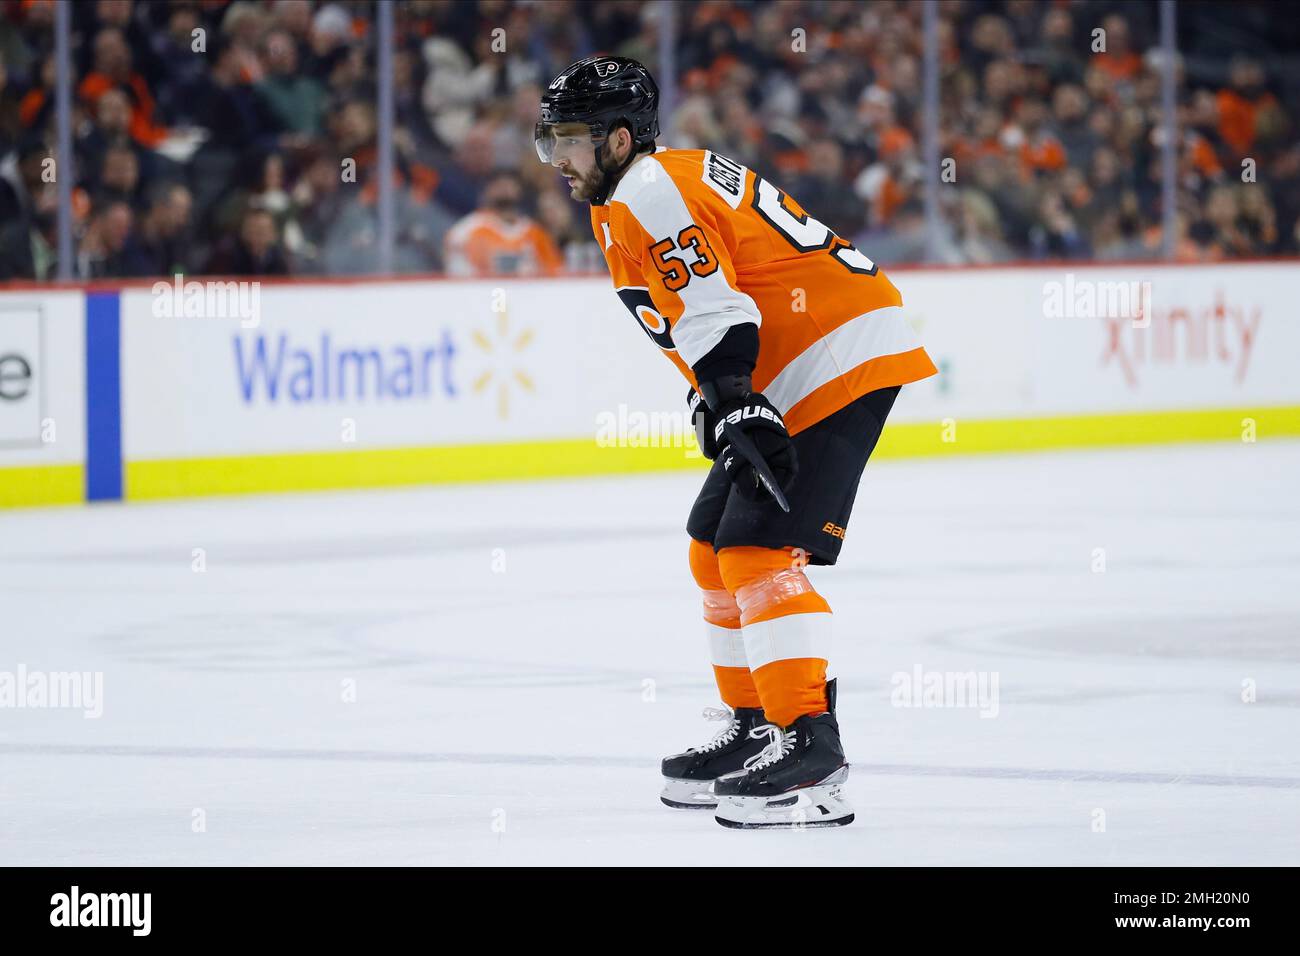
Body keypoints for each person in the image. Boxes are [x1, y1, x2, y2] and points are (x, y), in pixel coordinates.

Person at [535, 56, 937, 829]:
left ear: (618, 140)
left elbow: (717, 309)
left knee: (756, 551)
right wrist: (718, 395)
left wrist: (734, 398)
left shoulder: (647, 189)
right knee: (709, 545)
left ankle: (810, 749)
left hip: (833, 349)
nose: (557, 157)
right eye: (550, 140)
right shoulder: (628, 193)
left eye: (570, 140)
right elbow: (700, 303)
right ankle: (758, 727)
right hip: (798, 356)